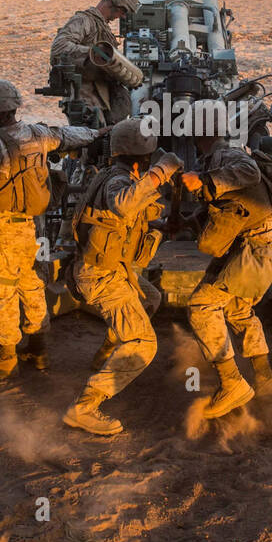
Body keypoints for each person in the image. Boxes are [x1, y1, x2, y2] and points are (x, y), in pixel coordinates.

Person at [0, 79, 101, 375]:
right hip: (32, 229)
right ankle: (38, 350)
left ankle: (6, 355)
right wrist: (98, 133)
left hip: (2, 230)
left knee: (1, 288)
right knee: (31, 283)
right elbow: (67, 136)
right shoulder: (37, 135)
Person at [63, 117, 182, 436]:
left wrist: (160, 220)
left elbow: (132, 214)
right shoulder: (118, 182)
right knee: (144, 343)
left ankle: (106, 356)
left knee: (151, 298)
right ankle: (84, 407)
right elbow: (122, 203)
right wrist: (162, 173)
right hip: (102, 276)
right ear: (145, 157)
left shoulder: (117, 175)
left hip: (112, 269)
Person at [181, 103, 272, 417]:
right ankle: (266, 381)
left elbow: (248, 172)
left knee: (201, 306)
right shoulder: (216, 157)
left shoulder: (227, 156)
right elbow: (228, 203)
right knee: (239, 310)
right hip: (255, 243)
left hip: (257, 247)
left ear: (198, 131)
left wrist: (203, 183)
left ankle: (233, 384)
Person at [49, 0, 140, 126]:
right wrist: (95, 54)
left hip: (102, 100)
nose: (123, 16)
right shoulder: (84, 21)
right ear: (114, 2)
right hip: (85, 100)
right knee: (92, 144)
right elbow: (59, 48)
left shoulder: (102, 27)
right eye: (123, 10)